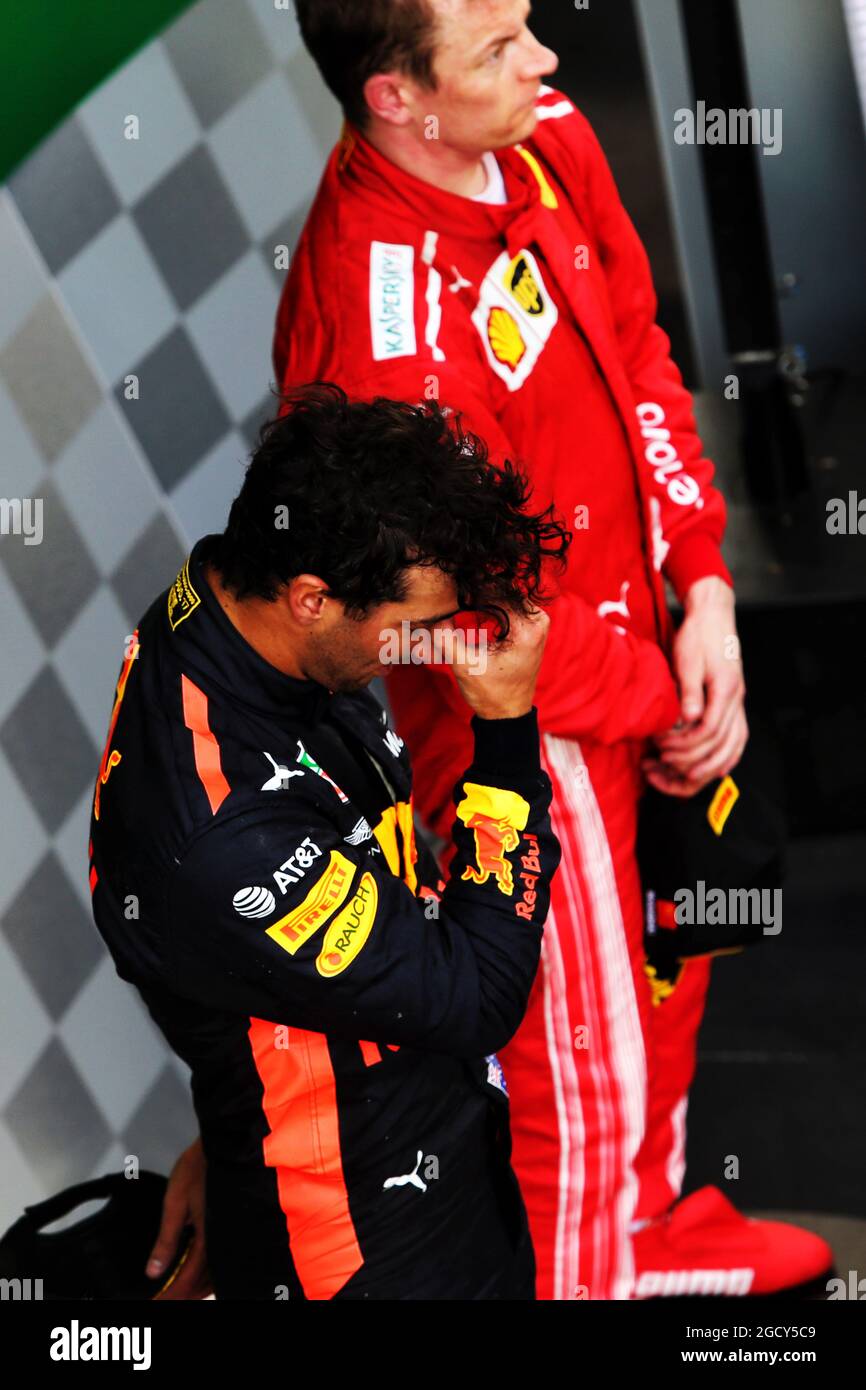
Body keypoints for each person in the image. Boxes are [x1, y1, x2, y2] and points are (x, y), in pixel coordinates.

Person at [264, 0, 830, 1300]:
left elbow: (637, 347)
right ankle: (588, 1271)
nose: (543, 60)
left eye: (525, 25)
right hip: (523, 726)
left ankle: (652, 1221)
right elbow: (438, 618)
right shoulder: (375, 309)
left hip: (644, 664)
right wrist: (652, 694)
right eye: (498, 49)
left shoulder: (539, 135)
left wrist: (704, 590)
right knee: (576, 1051)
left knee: (658, 981)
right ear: (395, 98)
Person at [88, 384, 567, 1300]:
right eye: (417, 627)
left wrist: (231, 1126)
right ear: (312, 599)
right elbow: (475, 994)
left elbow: (237, 973)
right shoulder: (220, 826)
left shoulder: (238, 613)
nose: (433, 649)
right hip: (365, 1255)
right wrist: (507, 733)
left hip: (436, 1160)